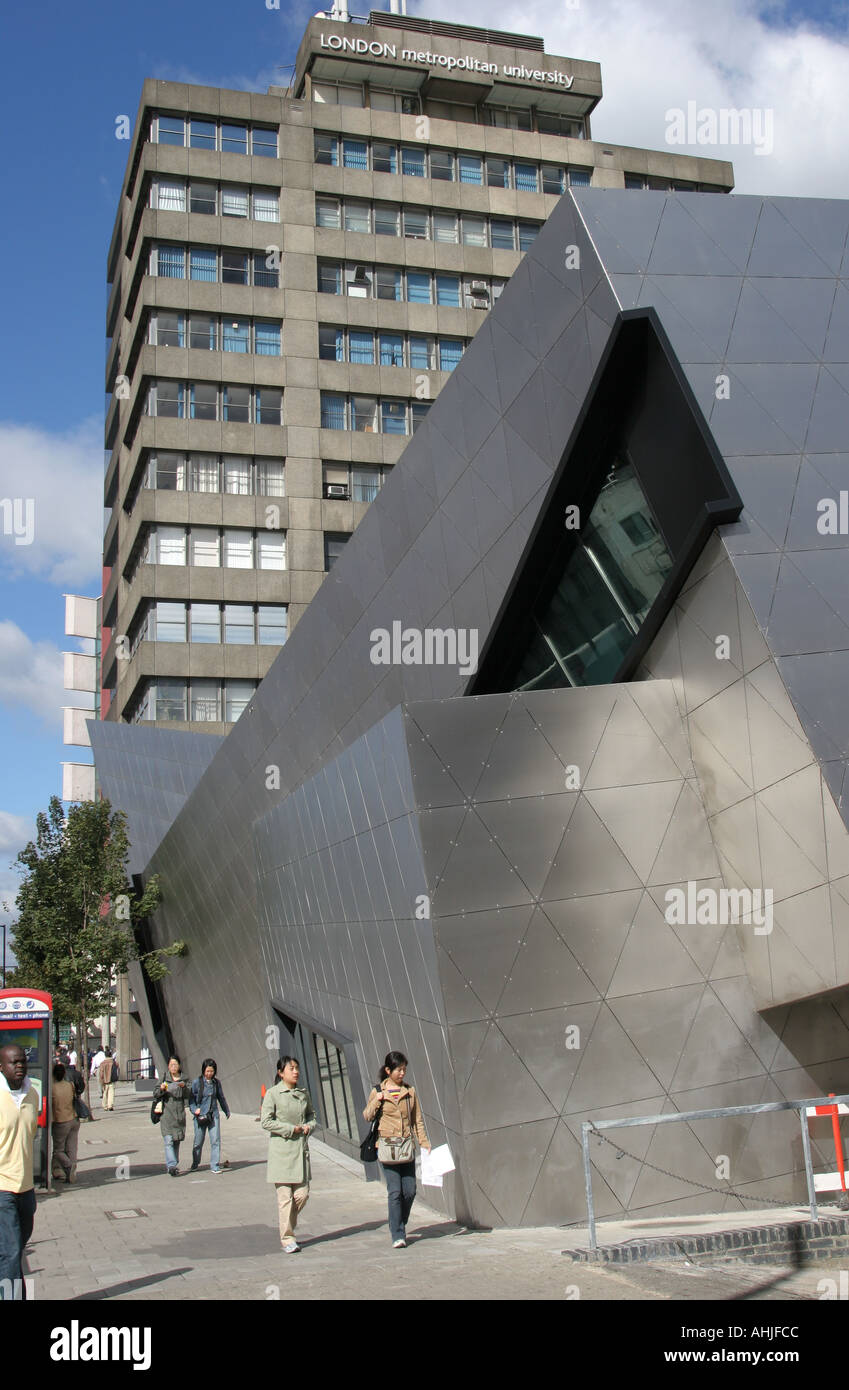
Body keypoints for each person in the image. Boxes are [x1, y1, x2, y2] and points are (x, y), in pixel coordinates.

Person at [363, 1051, 430, 1249]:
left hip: (407, 1148)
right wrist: (378, 1099)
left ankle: (398, 1220)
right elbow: (367, 1115)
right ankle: (398, 1234)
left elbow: (417, 1120)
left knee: (409, 1191)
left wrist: (424, 1142)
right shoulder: (378, 1091)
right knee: (394, 1191)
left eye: (404, 1070)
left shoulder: (409, 1091)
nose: (402, 1073)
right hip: (387, 1149)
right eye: (398, 1070)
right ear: (388, 1070)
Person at [261, 1057, 316, 1253]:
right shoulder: (273, 1094)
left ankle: (287, 1225)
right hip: (282, 1153)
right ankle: (287, 1239)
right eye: (291, 1068)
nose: (295, 1072)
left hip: (300, 1151)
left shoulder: (303, 1093)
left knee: (302, 1195)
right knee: (285, 1198)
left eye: (297, 1068)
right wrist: (290, 1129)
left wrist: (309, 1126)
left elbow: (311, 1115)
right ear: (280, 1072)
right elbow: (266, 1121)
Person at [0, 1045, 39, 1298]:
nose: (20, 1066)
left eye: (23, 1061)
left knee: (14, 1250)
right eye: (14, 1062)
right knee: (11, 1251)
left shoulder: (32, 1093)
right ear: (1, 1067)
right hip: (2, 1189)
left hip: (26, 1188)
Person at [190, 1059, 231, 1174]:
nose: (209, 1073)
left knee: (215, 1140)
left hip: (213, 1115)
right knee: (198, 1142)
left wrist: (226, 1110)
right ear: (203, 1070)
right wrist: (195, 1110)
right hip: (200, 1115)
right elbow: (191, 1099)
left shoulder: (216, 1083)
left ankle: (215, 1165)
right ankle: (195, 1163)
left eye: (211, 1071)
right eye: (207, 1071)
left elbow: (221, 1097)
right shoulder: (197, 1082)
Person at [152, 1057, 191, 1176]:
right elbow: (155, 1093)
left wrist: (184, 1088)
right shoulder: (164, 1078)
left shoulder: (184, 1079)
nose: (173, 1067)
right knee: (168, 1140)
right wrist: (162, 1089)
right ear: (168, 1066)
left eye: (175, 1064)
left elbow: (189, 1095)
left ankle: (173, 1163)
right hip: (166, 1114)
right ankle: (172, 1165)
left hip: (179, 1115)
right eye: (171, 1064)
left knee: (176, 1140)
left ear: (179, 1066)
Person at [50, 1063, 80, 1185]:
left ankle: (68, 1166)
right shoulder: (70, 1085)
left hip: (60, 1120)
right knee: (72, 1148)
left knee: (58, 1150)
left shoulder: (52, 1088)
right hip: (73, 1118)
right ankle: (71, 1172)